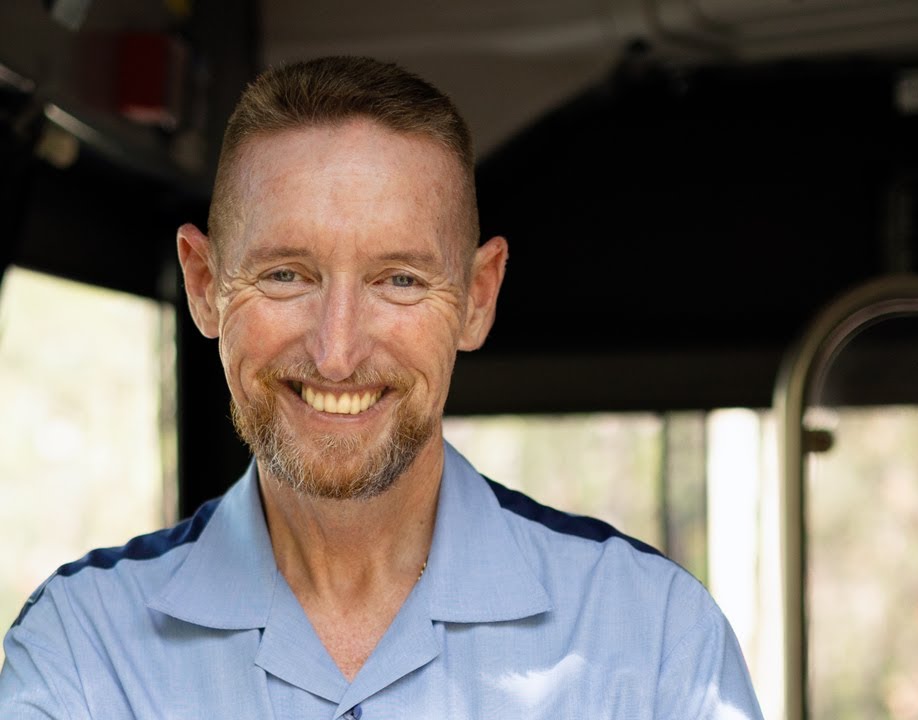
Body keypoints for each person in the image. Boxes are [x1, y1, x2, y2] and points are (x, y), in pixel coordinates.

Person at [0, 56, 763, 719]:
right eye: (285, 275)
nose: (336, 353)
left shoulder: (654, 635)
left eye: (398, 279)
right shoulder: (83, 645)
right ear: (204, 286)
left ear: (478, 297)